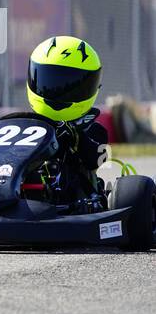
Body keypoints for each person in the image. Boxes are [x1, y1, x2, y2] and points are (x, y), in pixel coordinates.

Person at [24, 35, 107, 199]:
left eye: (69, 86)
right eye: (50, 80)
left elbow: (96, 160)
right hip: (18, 191)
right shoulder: (22, 125)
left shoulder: (93, 130)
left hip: (69, 202)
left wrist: (76, 138)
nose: (57, 91)